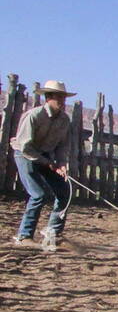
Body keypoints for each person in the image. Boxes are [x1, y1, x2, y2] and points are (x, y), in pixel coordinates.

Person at [10, 80, 75, 250]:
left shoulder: (64, 120)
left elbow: (63, 146)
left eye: (63, 97)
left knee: (64, 192)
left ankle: (53, 232)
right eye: (58, 97)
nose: (62, 101)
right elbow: (25, 147)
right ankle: (24, 236)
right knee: (37, 194)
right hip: (26, 155)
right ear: (48, 98)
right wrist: (49, 163)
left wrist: (62, 164)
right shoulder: (34, 116)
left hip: (46, 156)